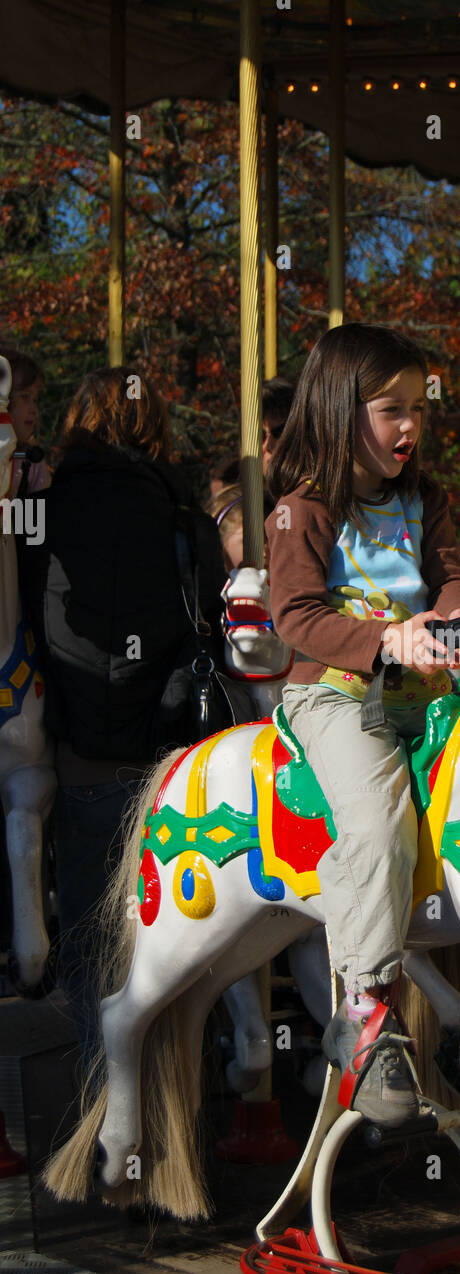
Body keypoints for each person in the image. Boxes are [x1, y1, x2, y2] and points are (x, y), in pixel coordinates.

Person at [265, 324, 460, 1127]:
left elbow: (452, 575)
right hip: (337, 691)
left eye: (418, 409)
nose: (410, 428)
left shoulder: (423, 500)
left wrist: (454, 621)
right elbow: (295, 616)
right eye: (392, 410)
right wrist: (386, 636)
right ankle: (364, 1007)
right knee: (382, 822)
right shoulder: (304, 511)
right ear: (337, 409)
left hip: (418, 687)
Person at [19, 368, 227, 1070]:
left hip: (74, 750)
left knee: (88, 932)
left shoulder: (40, 513)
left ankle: (102, 1090)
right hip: (166, 757)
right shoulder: (180, 518)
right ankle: (178, 1091)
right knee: (168, 933)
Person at [0, 343, 52, 495]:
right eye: (25, 397)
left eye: (35, 400)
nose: (34, 410)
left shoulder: (31, 465)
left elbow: (39, 516)